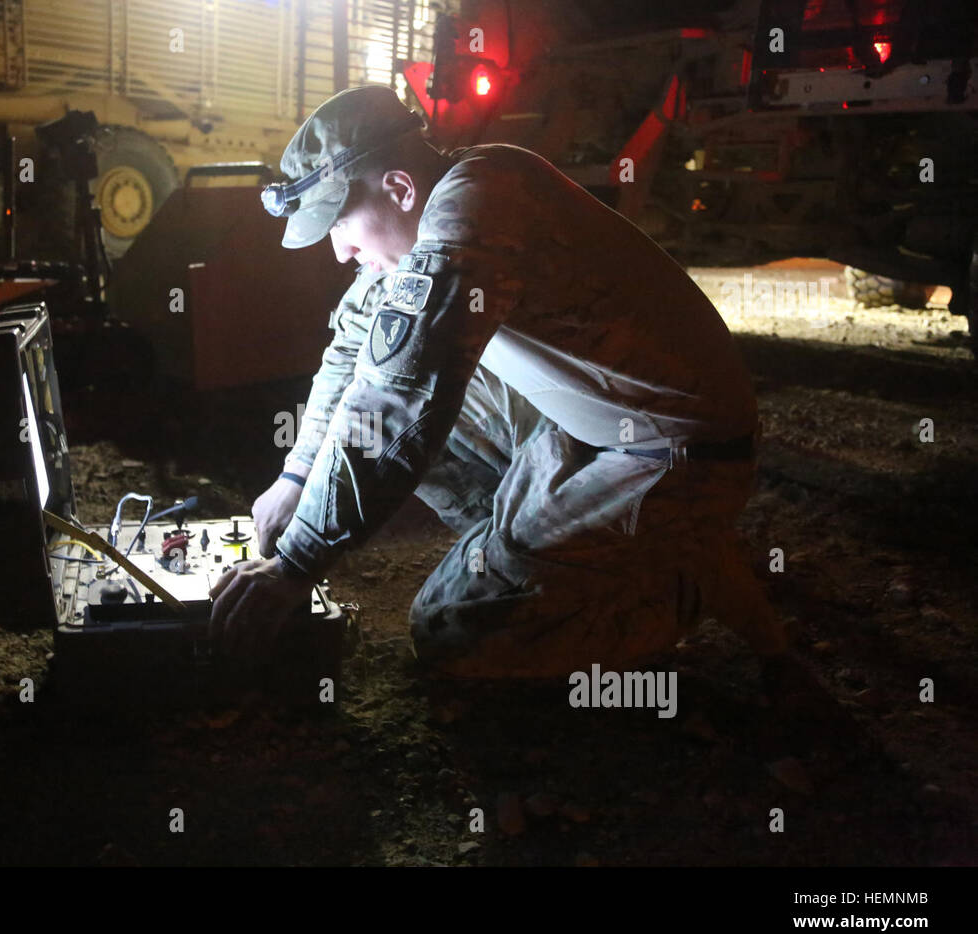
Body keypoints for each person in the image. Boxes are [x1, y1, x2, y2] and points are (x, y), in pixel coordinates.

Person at [208, 84, 788, 678]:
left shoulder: (478, 201)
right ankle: (549, 558)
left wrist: (297, 564)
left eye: (340, 222)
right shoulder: (431, 213)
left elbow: (398, 400)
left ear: (400, 189)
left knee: (450, 635)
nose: (338, 250)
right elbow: (356, 347)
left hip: (672, 456)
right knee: (388, 389)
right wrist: (299, 475)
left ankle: (669, 575)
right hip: (589, 424)